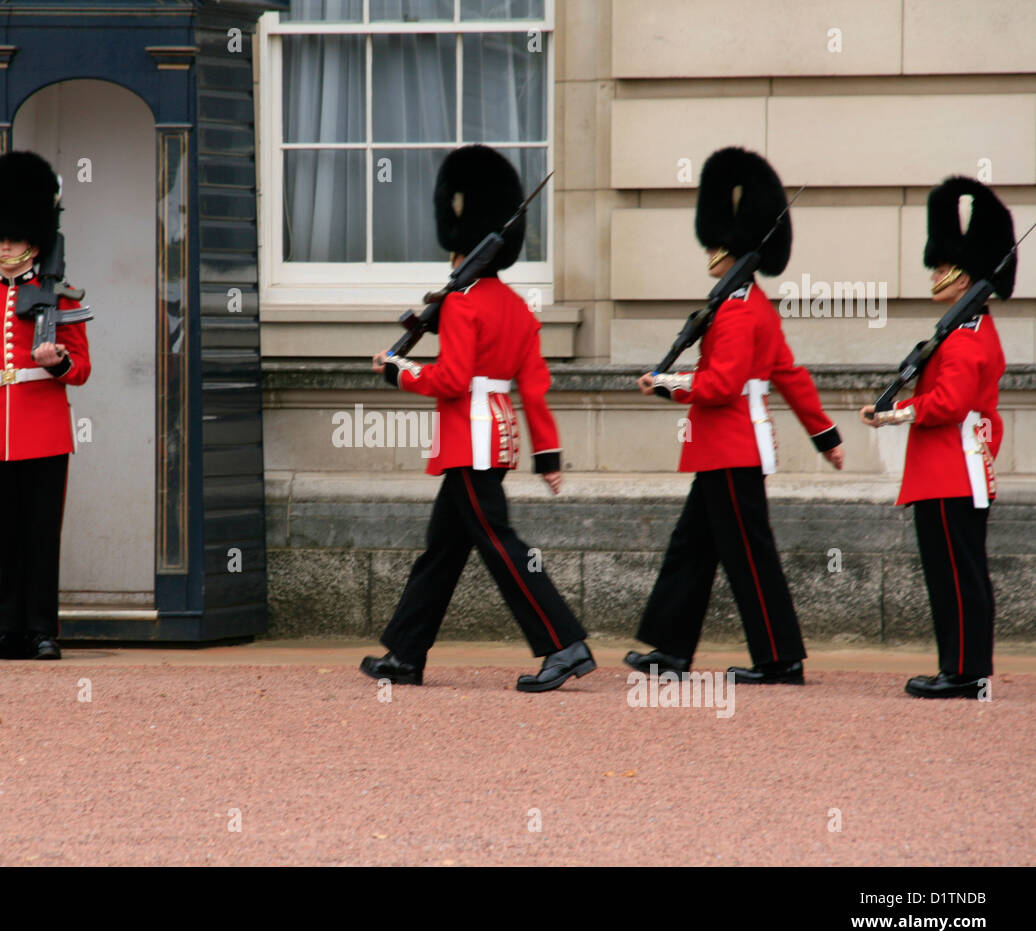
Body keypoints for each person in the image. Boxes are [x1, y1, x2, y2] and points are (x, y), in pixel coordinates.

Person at [361, 145, 594, 693]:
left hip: (471, 440)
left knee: (503, 547)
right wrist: (548, 457)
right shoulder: (514, 306)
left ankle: (565, 645)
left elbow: (451, 380)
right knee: (442, 553)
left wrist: (399, 371)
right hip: (499, 436)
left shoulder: (463, 303)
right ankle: (406, 654)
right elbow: (535, 389)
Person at [625, 146, 844, 685]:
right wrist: (824, 434)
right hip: (725, 447)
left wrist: (667, 384)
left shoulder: (740, 312)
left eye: (718, 249)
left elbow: (720, 386)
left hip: (732, 445)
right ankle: (672, 652)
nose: (711, 257)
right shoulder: (745, 306)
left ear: (734, 250)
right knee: (692, 548)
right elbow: (790, 374)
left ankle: (779, 660)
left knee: (748, 555)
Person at [859, 177, 1013, 699]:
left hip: (951, 472)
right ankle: (960, 667)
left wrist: (893, 413)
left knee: (957, 575)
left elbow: (947, 405)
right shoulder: (961, 332)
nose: (934, 273)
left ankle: (965, 673)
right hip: (947, 471)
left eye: (942, 266)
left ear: (965, 274)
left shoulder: (967, 339)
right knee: (952, 576)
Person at [0, 151, 92, 661]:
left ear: (34, 242)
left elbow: (80, 370)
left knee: (40, 535)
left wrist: (56, 361)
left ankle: (41, 629)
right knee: (5, 537)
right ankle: (6, 629)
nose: (4, 247)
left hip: (44, 431)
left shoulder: (60, 296)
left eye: (13, 239)